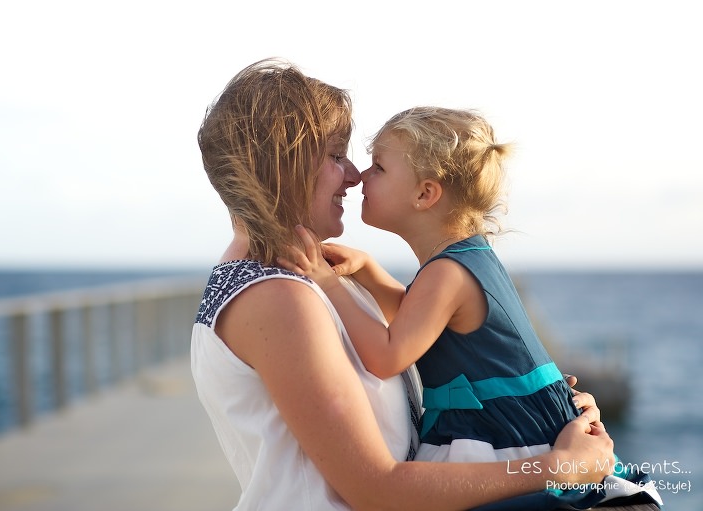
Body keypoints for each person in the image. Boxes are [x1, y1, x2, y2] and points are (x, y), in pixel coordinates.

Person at [191, 59, 615, 511]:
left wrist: (537, 407)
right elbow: (378, 489)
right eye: (336, 156)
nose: (354, 175)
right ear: (283, 166)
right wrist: (554, 466)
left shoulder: (298, 279)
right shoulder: (278, 297)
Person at [279, 106, 662, 509]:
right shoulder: (468, 259)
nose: (360, 176)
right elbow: (421, 321)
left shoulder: (445, 274)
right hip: (528, 432)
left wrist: (326, 283)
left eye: (378, 167)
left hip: (514, 444)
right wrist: (371, 271)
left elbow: (388, 355)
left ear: (425, 194)